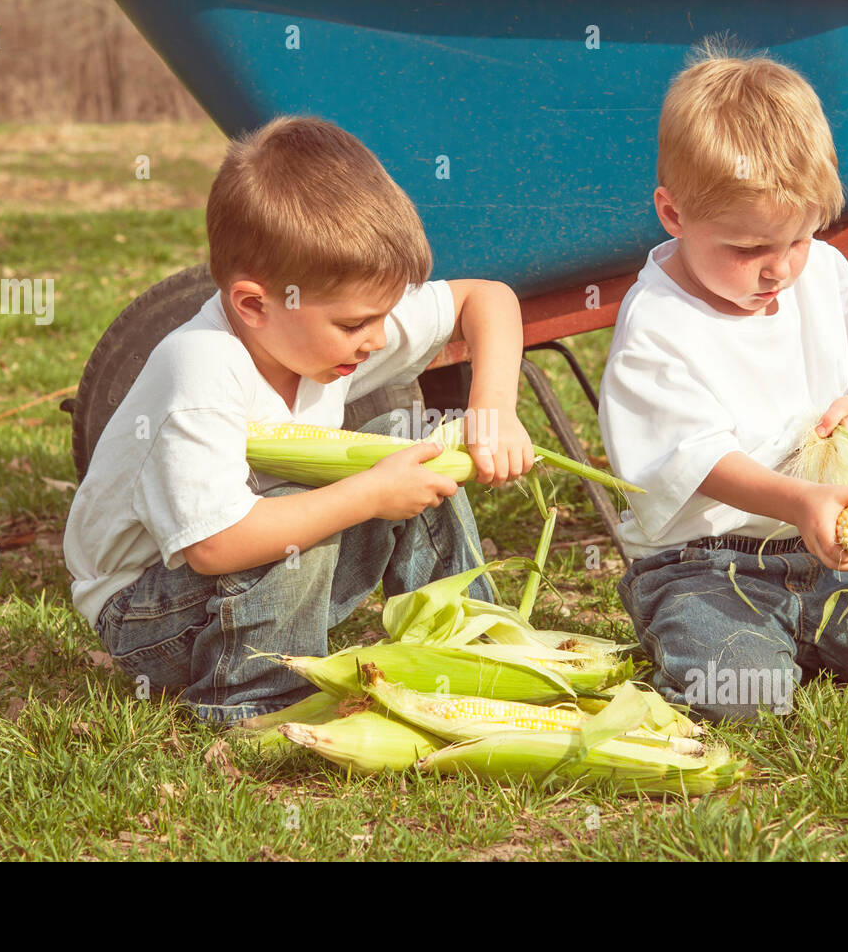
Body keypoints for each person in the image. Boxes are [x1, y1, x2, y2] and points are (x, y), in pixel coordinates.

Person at [64, 116, 534, 724]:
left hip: (242, 578)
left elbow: (487, 297)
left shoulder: (317, 329)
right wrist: (369, 494)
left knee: (410, 452)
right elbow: (214, 545)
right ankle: (256, 700)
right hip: (151, 616)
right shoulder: (202, 367)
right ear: (255, 304)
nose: (375, 339)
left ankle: (471, 648)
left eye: (383, 316)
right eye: (354, 325)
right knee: (313, 506)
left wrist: (492, 408)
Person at [598, 46, 848, 722]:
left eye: (800, 237)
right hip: (708, 562)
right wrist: (801, 499)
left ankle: (806, 634)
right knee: (745, 694)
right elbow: (697, 461)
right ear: (673, 215)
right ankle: (731, 644)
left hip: (823, 560)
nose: (779, 268)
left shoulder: (823, 273)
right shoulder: (659, 323)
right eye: (748, 249)